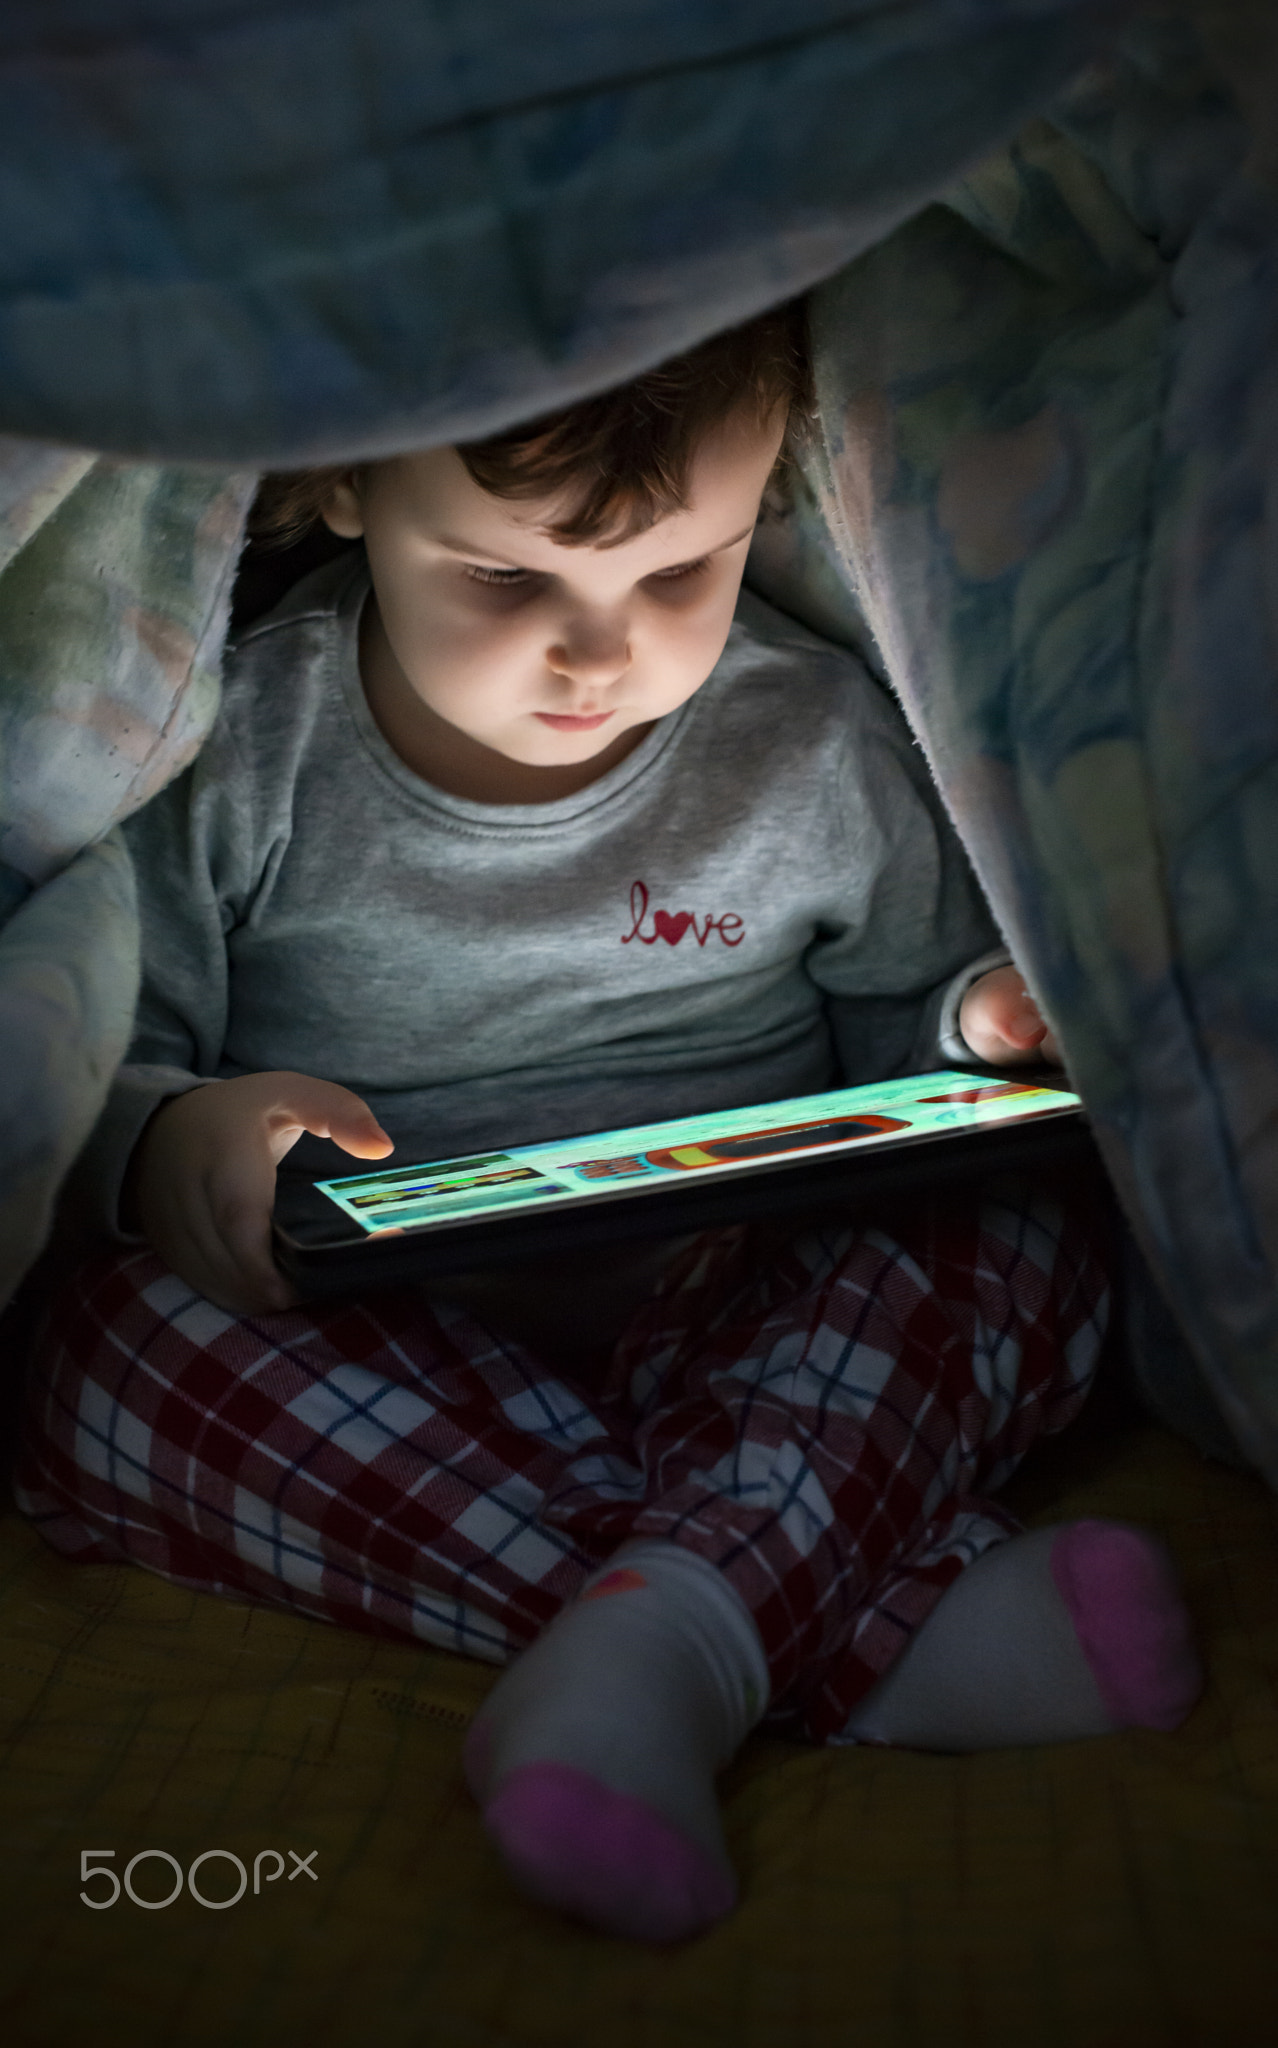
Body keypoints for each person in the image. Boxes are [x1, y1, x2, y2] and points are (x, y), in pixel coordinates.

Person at [14, 304, 1202, 1944]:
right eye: (504, 580)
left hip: (747, 1298)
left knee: (1014, 1223)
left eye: (678, 576)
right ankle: (822, 1634)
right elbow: (96, 1068)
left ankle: (667, 1636)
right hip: (394, 1333)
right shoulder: (239, 756)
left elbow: (904, 1054)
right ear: (349, 483)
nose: (598, 651)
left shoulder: (815, 742)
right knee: (100, 1353)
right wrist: (174, 1141)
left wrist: (975, 1028)